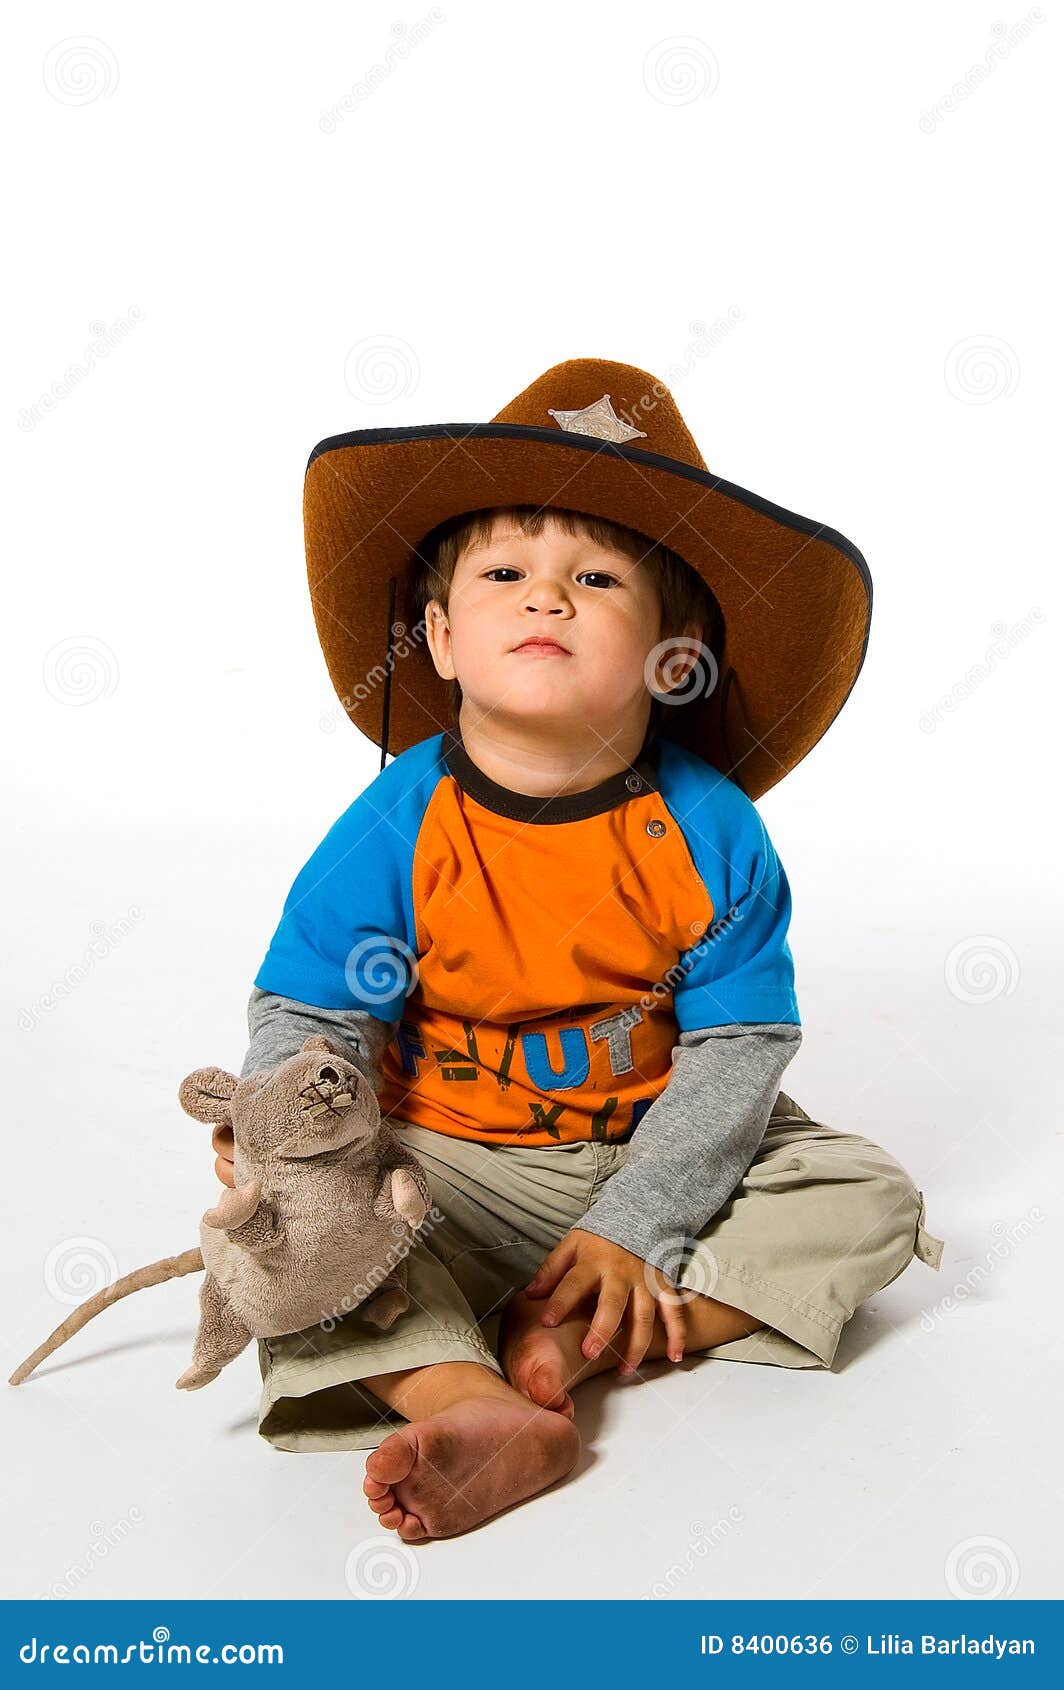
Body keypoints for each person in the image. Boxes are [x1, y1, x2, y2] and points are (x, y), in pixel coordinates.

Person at [210, 358, 945, 1542]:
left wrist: (638, 1219)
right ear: (439, 638)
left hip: (663, 1148)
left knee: (866, 1196)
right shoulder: (400, 823)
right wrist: (301, 1124)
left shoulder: (709, 829)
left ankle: (566, 1335)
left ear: (674, 652)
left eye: (594, 578)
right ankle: (470, 1399)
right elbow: (313, 1014)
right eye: (505, 573)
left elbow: (734, 1052)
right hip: (447, 1162)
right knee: (286, 1237)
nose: (544, 599)